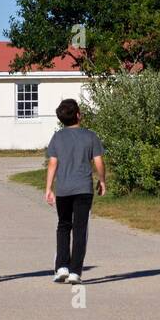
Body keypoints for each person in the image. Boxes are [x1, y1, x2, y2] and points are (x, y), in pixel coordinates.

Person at [44, 99, 107, 285]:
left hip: (63, 189)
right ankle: (75, 271)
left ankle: (62, 266)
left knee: (63, 226)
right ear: (78, 114)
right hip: (83, 188)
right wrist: (102, 180)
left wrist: (48, 188)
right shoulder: (90, 136)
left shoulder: (57, 137)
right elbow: (98, 162)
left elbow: (52, 163)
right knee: (80, 228)